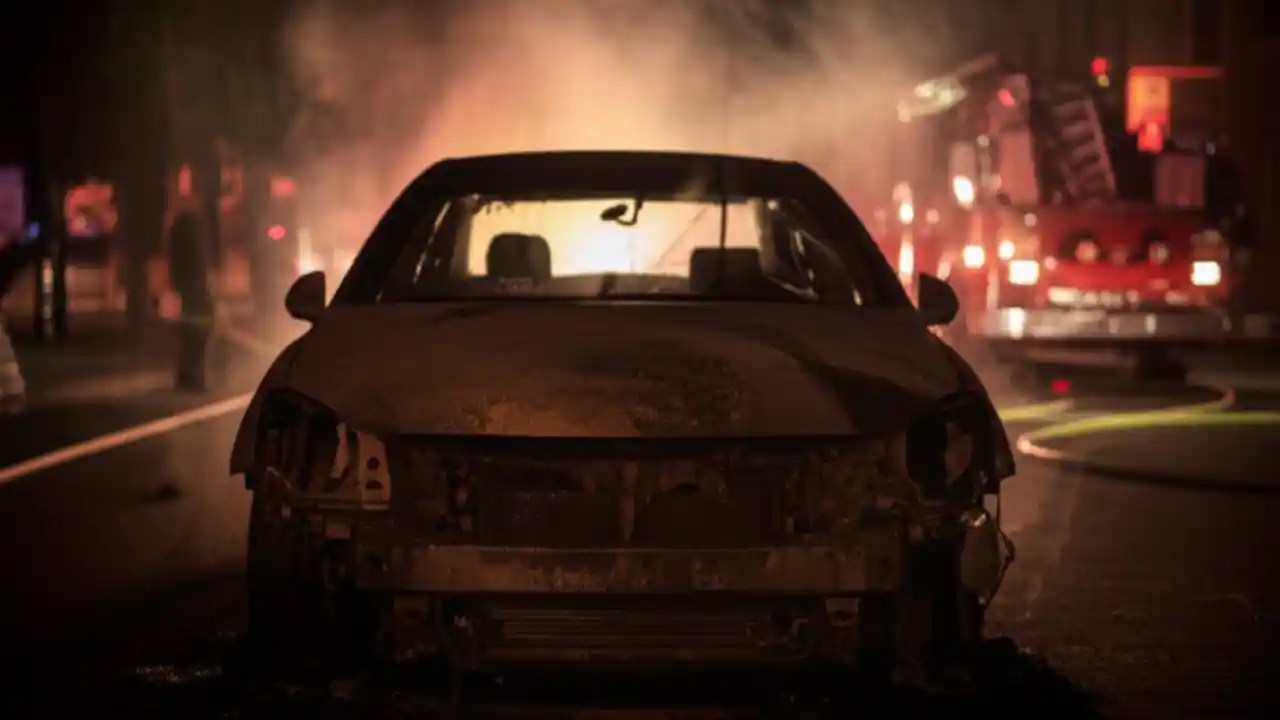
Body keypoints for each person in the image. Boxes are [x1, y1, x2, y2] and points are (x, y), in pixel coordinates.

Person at [167, 209, 213, 391]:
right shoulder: (191, 232)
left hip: (187, 289)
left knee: (190, 335)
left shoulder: (177, 234)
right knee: (197, 335)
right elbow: (200, 265)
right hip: (195, 289)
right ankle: (192, 378)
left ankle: (187, 377)